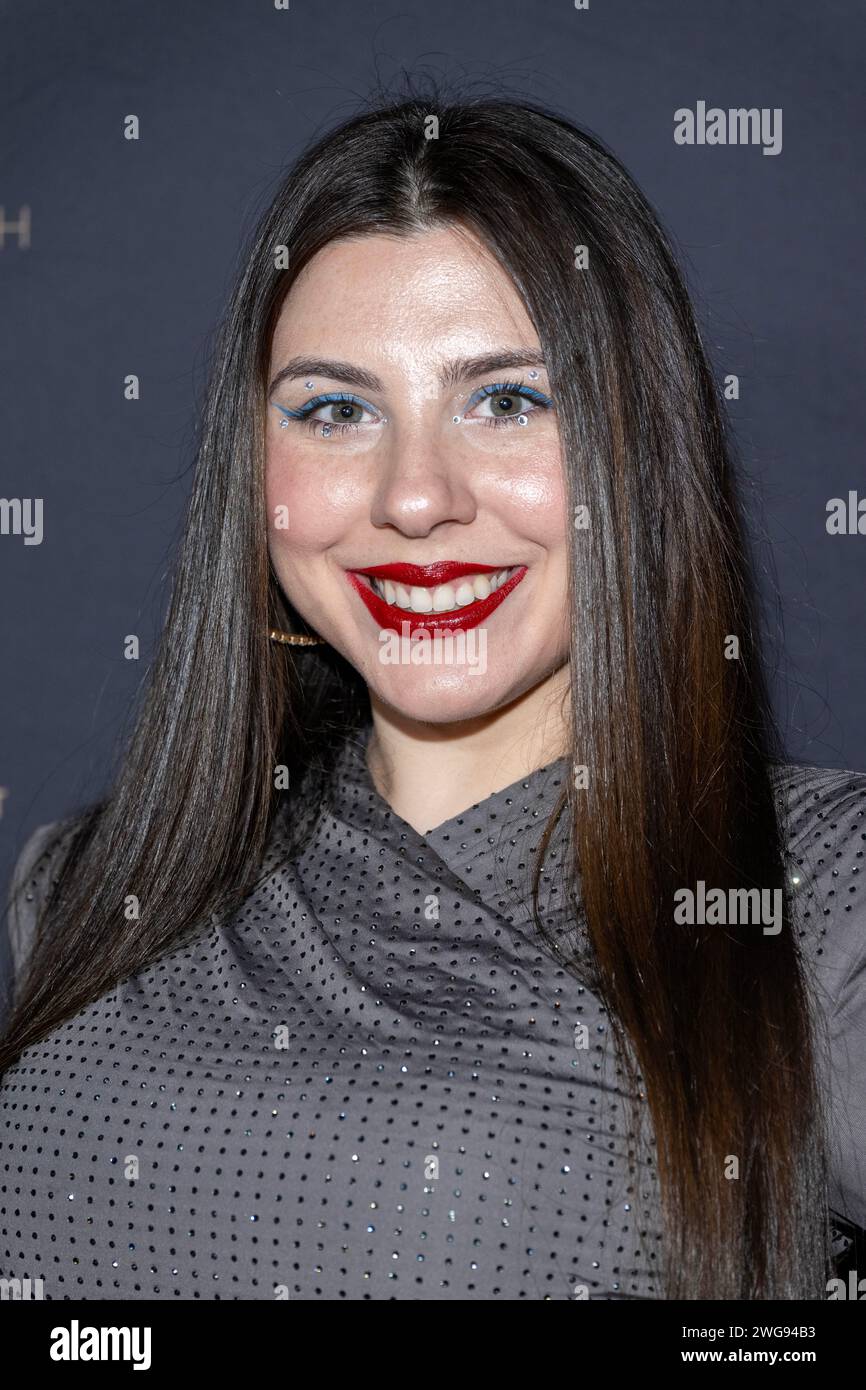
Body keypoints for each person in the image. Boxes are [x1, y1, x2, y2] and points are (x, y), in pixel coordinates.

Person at [2, 92, 865, 1301]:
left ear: (636, 446)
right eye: (336, 410)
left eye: (506, 399)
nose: (415, 497)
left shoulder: (821, 902)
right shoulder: (83, 886)